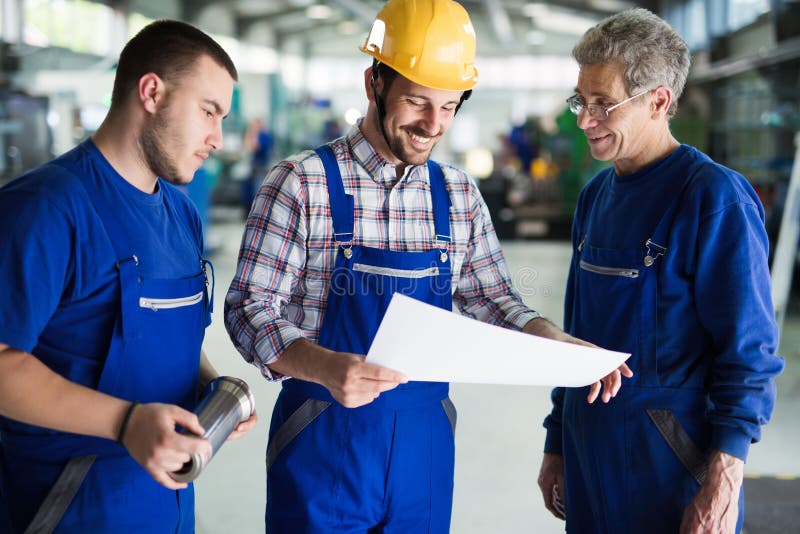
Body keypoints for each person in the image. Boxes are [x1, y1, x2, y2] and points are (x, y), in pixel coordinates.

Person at [224, 0, 630, 531]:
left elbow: (492, 299)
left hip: (424, 449)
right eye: (417, 102)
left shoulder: (458, 194)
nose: (433, 125)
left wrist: (554, 341)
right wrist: (323, 367)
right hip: (322, 437)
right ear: (374, 83)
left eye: (449, 106)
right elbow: (248, 307)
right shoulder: (301, 183)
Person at [0, 20, 256, 533]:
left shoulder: (181, 215)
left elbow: (167, 335)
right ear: (152, 92)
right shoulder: (45, 209)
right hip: (66, 509)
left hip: (165, 505)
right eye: (208, 111)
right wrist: (125, 422)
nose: (217, 138)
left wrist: (212, 386)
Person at [536, 8, 785, 534]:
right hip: (590, 458)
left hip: (672, 470)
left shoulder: (714, 199)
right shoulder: (595, 197)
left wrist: (724, 477)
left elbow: (748, 353)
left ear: (658, 101)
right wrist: (557, 439)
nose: (584, 120)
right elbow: (575, 336)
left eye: (603, 104)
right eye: (581, 100)